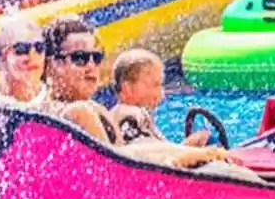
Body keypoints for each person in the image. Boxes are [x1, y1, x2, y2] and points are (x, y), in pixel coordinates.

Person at [39, 15, 233, 169]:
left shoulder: (71, 108)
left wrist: (181, 150)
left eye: (96, 57)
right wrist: (189, 156)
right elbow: (119, 166)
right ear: (51, 66)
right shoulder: (78, 111)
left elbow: (130, 152)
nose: (91, 66)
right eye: (79, 58)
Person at [108, 48, 211, 147]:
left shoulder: (134, 114)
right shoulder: (130, 114)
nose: (161, 93)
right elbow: (145, 158)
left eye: (161, 85)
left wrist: (185, 148)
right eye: (155, 85)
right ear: (128, 88)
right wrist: (187, 151)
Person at [0, 15, 47, 109]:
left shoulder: (56, 99)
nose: (32, 57)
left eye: (39, 47)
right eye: (21, 49)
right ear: (1, 58)